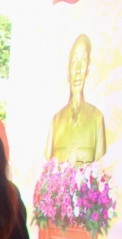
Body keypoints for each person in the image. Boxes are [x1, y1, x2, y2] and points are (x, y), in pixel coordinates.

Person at [45, 34, 106, 164]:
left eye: (82, 63)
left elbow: (100, 165)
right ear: (68, 72)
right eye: (74, 64)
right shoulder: (56, 121)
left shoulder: (96, 119)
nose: (78, 71)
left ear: (88, 69)